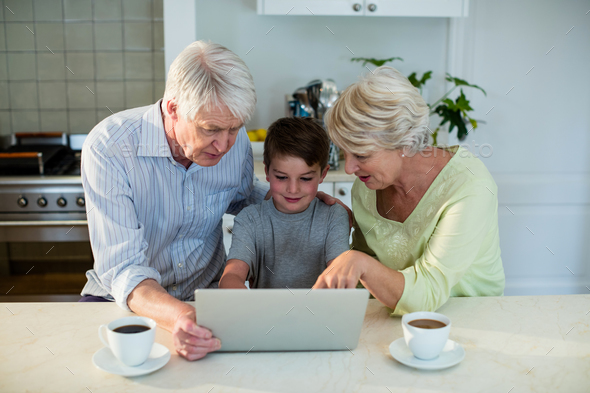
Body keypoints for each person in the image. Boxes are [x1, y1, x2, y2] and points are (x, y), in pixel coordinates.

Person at [78, 41, 344, 361]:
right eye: (211, 129)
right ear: (173, 109)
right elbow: (123, 270)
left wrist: (300, 197)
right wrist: (180, 316)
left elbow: (243, 197)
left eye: (234, 129)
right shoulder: (110, 148)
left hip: (208, 300)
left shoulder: (235, 141)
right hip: (127, 301)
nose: (223, 145)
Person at [314, 66, 505, 315]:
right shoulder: (368, 185)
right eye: (343, 152)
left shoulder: (469, 186)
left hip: (475, 320)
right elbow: (364, 269)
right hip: (397, 319)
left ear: (404, 141)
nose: (349, 168)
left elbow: (429, 290)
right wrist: (330, 226)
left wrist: (359, 263)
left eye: (361, 154)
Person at [219, 118, 350, 289]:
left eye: (305, 178)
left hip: (320, 313)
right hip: (265, 314)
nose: (293, 189)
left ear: (323, 174)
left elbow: (338, 276)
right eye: (281, 177)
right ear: (266, 171)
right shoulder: (249, 220)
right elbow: (232, 275)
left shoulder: (334, 216)